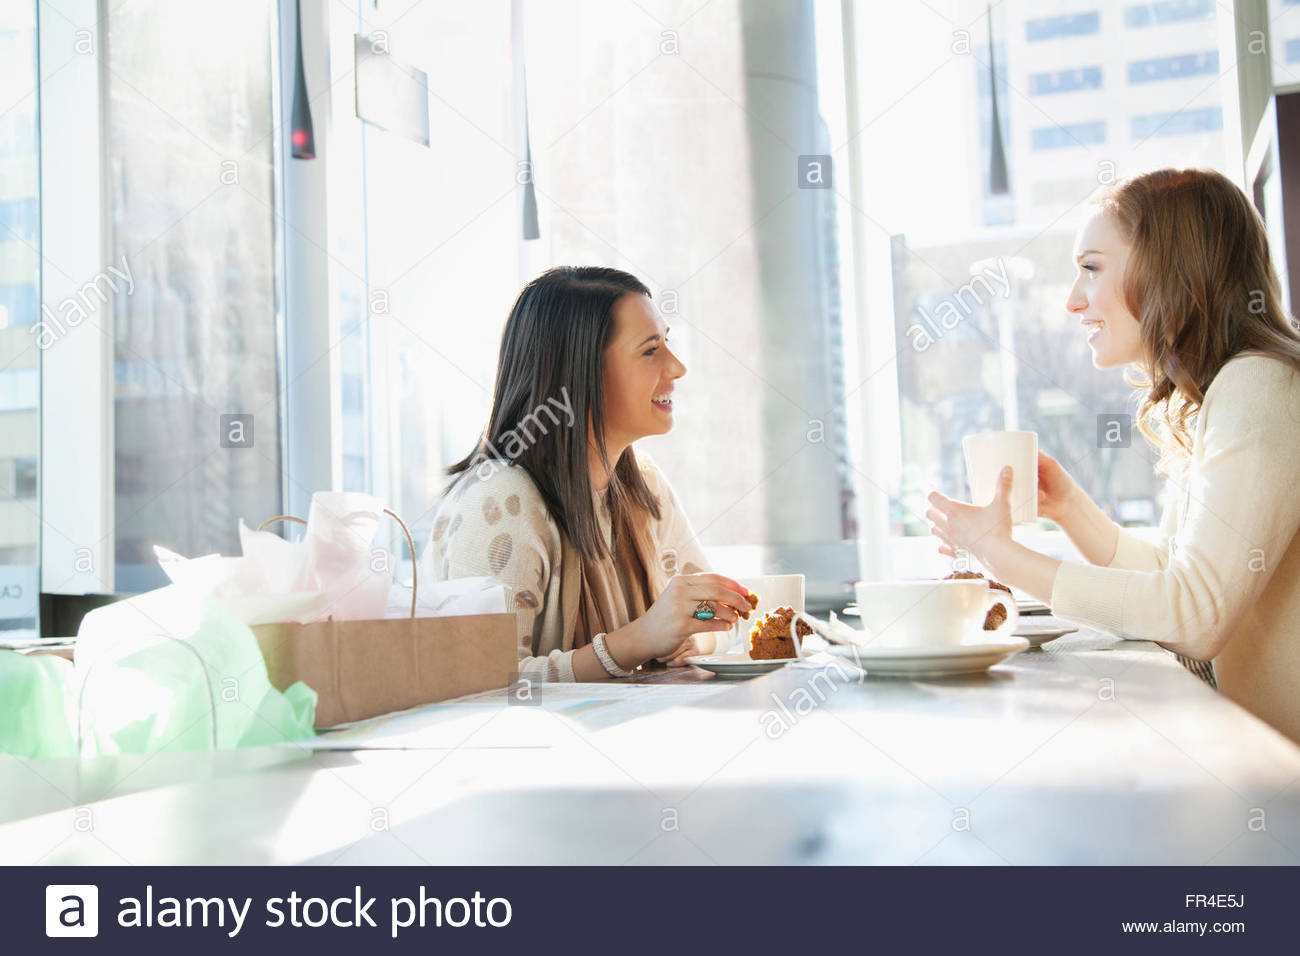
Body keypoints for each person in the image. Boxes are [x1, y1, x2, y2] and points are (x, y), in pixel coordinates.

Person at [925, 168, 1300, 743]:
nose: (1074, 301)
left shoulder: (1258, 386)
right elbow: (1176, 582)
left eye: (1091, 269)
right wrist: (1072, 509)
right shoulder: (1235, 390)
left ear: (1167, 271)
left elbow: (1194, 616)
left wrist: (997, 553)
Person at [425, 266, 752, 681]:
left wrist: (696, 636)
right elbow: (482, 680)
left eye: (666, 343)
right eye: (651, 350)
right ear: (579, 373)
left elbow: (712, 610)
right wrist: (638, 640)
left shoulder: (643, 485)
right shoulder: (500, 500)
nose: (677, 367)